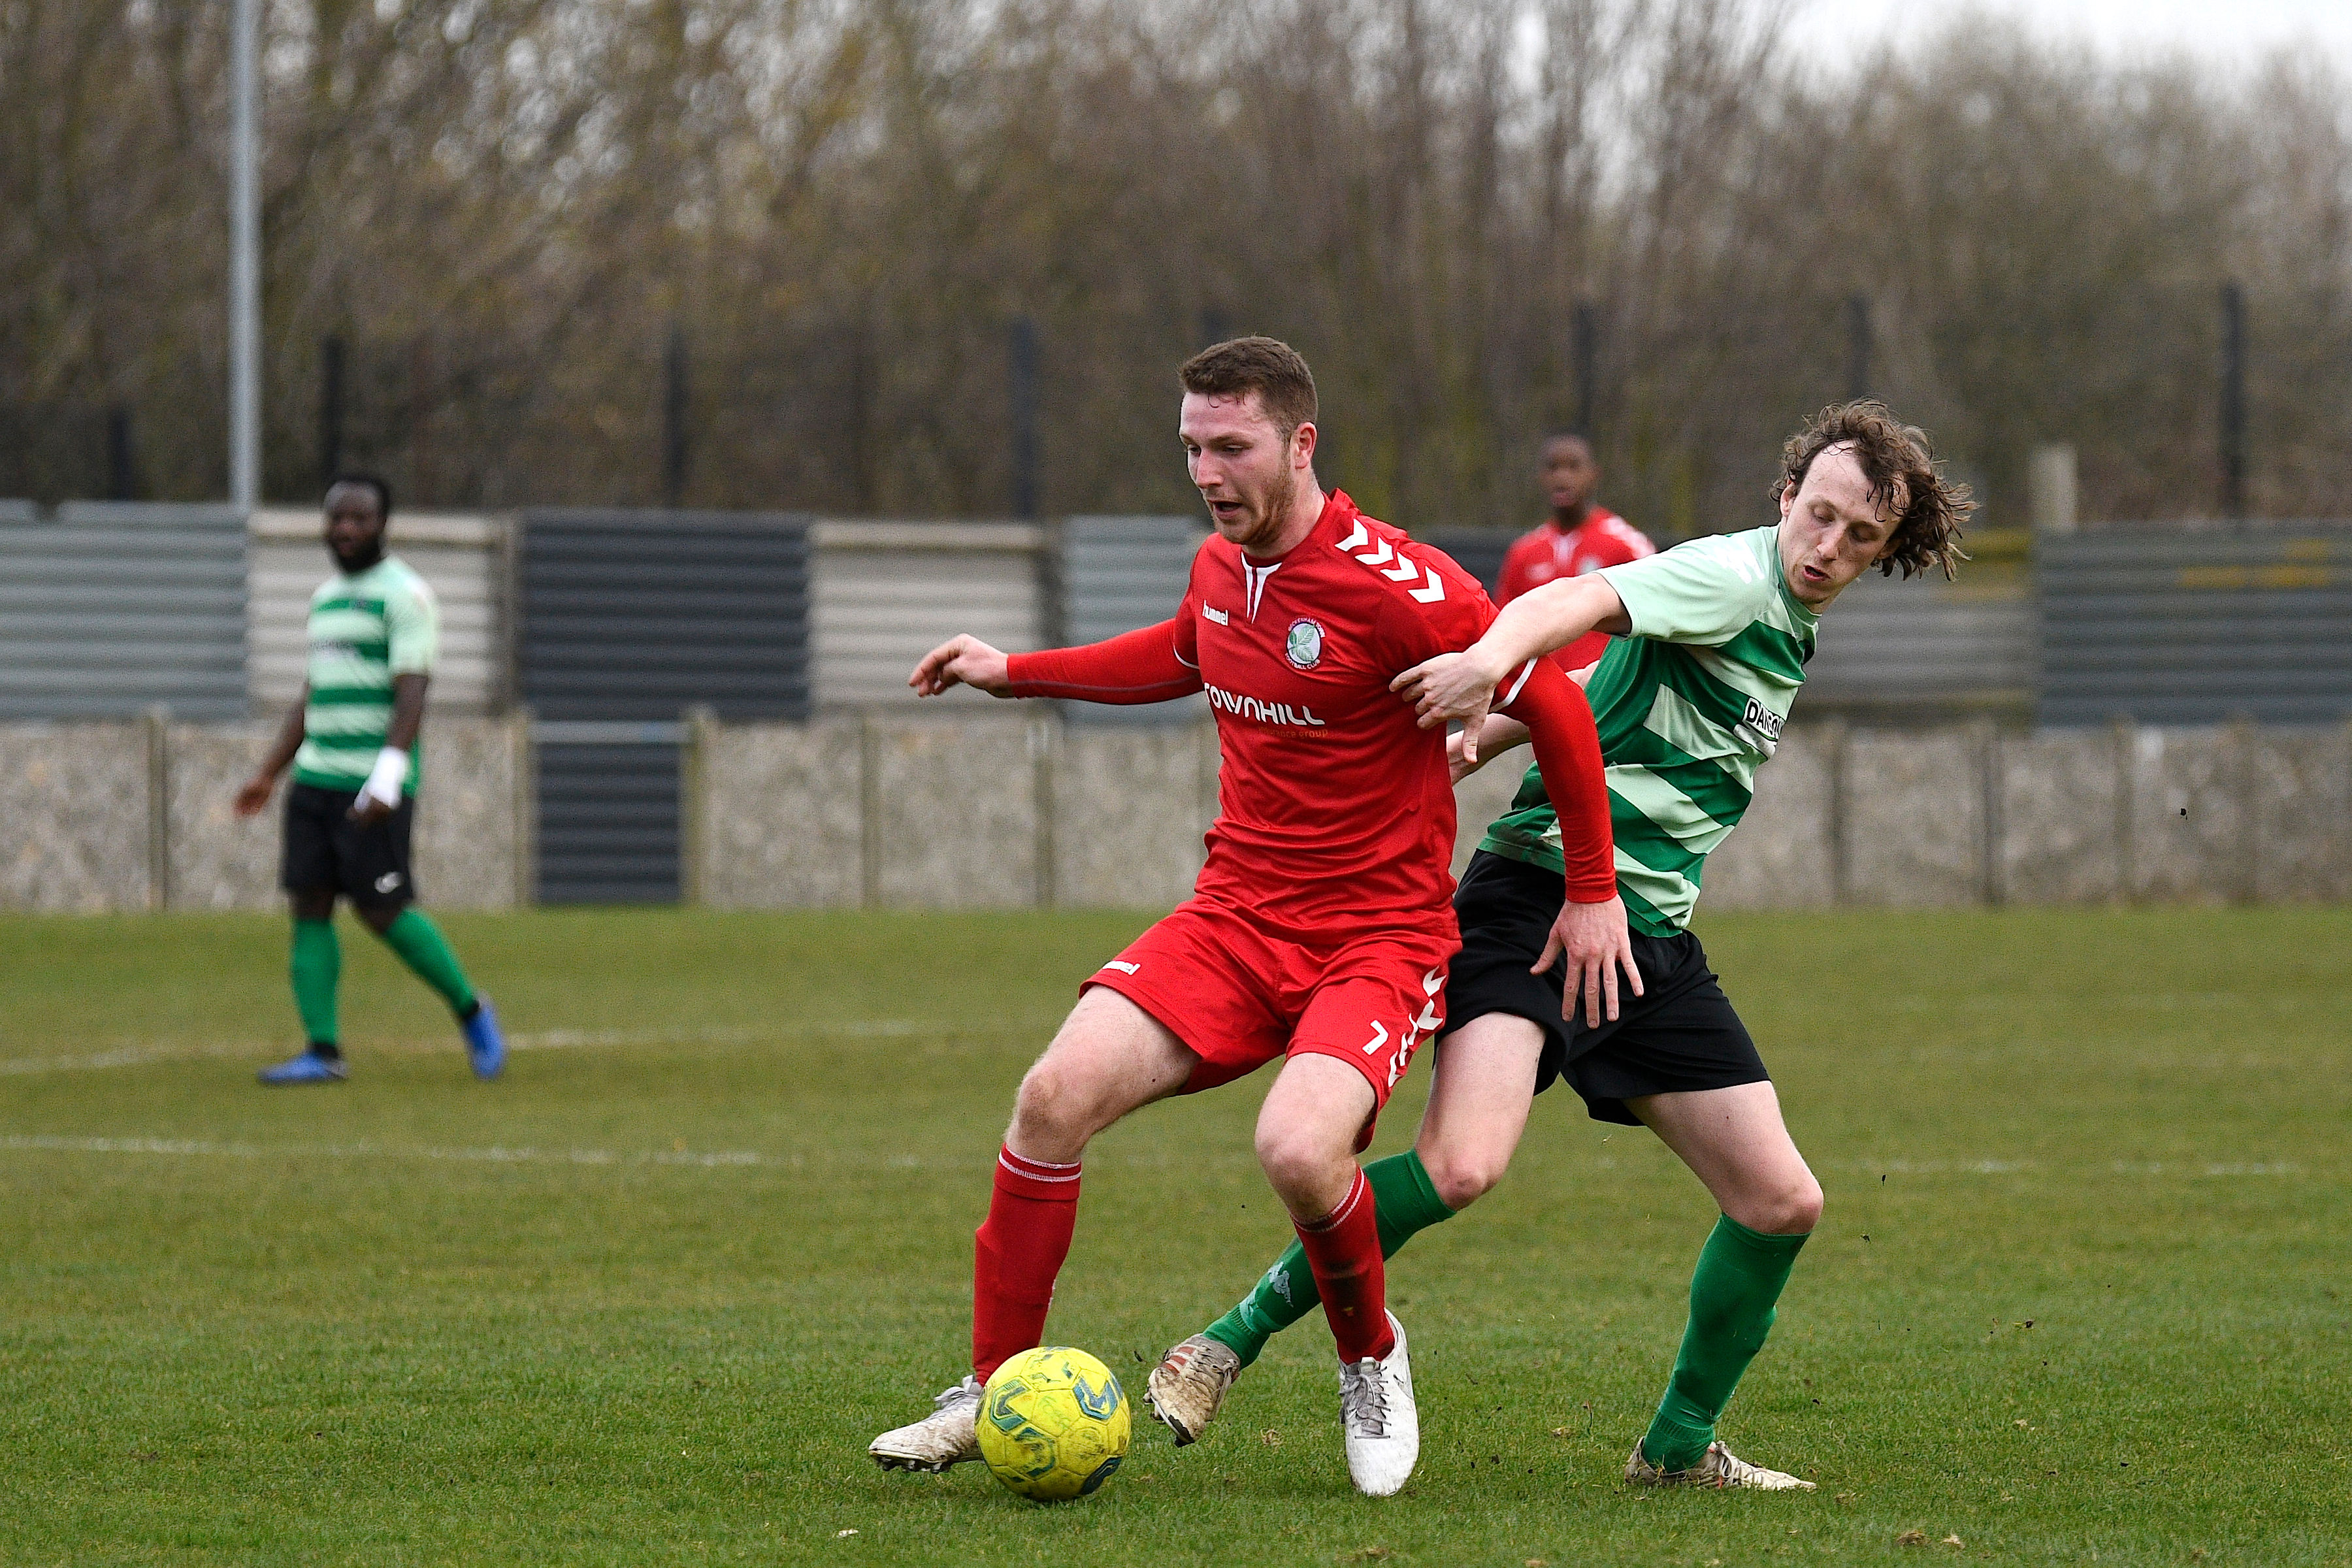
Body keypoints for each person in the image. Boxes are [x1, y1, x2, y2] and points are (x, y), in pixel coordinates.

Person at [1147, 402, 1972, 1491]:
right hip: (1540, 901)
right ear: (1785, 497)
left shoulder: (1781, 610)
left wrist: (1487, 732)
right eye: (1817, 517)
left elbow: (1606, 684)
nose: (1828, 549)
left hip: (1645, 937)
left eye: (1857, 539)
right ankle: (1221, 1344)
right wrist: (1488, 664)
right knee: (1461, 1165)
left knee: (1782, 1202)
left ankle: (1677, 1454)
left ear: (1884, 548)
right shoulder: (1730, 576)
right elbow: (1574, 602)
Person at [867, 337, 1635, 1497]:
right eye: (1191, 448)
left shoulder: (1405, 588)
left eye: (1232, 447)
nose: (1209, 471)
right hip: (1234, 917)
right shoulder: (1218, 568)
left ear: (1300, 442)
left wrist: (1590, 890)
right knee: (1051, 1097)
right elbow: (1178, 655)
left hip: (1379, 935)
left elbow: (1560, 710)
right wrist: (1010, 668)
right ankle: (991, 1389)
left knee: (1295, 1146)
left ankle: (1371, 1355)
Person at [233, 474, 506, 1085]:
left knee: (383, 909)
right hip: (316, 780)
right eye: (336, 518)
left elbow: (413, 692)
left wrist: (387, 776)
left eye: (359, 518)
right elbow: (315, 691)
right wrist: (270, 773)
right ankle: (323, 1052)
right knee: (309, 905)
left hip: (371, 785)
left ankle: (471, 1011)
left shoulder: (405, 595)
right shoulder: (326, 598)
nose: (346, 529)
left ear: (383, 524)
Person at [1495, 431, 1654, 672]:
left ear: (1593, 474)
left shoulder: (1626, 545)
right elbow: (1502, 627)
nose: (1562, 477)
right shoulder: (1524, 552)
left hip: (1603, 686)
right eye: (1553, 467)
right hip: (1544, 694)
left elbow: (1654, 618)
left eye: (1574, 467)